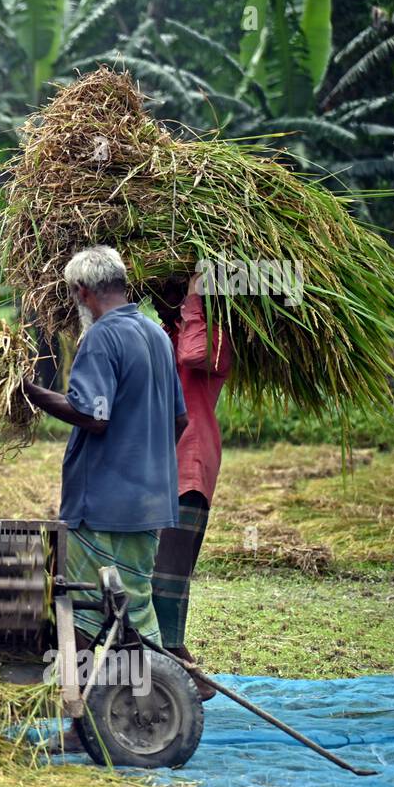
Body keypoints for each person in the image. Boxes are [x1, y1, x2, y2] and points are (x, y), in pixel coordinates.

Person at [21, 245, 188, 650]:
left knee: (78, 605)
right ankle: (153, 694)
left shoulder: (101, 337)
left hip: (102, 506)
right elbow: (180, 420)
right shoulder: (156, 335)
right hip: (150, 503)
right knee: (134, 605)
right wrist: (146, 460)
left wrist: (30, 392)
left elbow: (94, 417)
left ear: (81, 291)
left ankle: (91, 703)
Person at [150, 273, 232, 700]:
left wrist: (197, 298)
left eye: (171, 297)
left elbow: (195, 353)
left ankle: (185, 671)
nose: (166, 304)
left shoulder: (215, 338)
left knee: (170, 576)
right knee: (155, 576)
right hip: (163, 467)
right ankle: (181, 669)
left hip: (193, 462)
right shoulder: (169, 335)